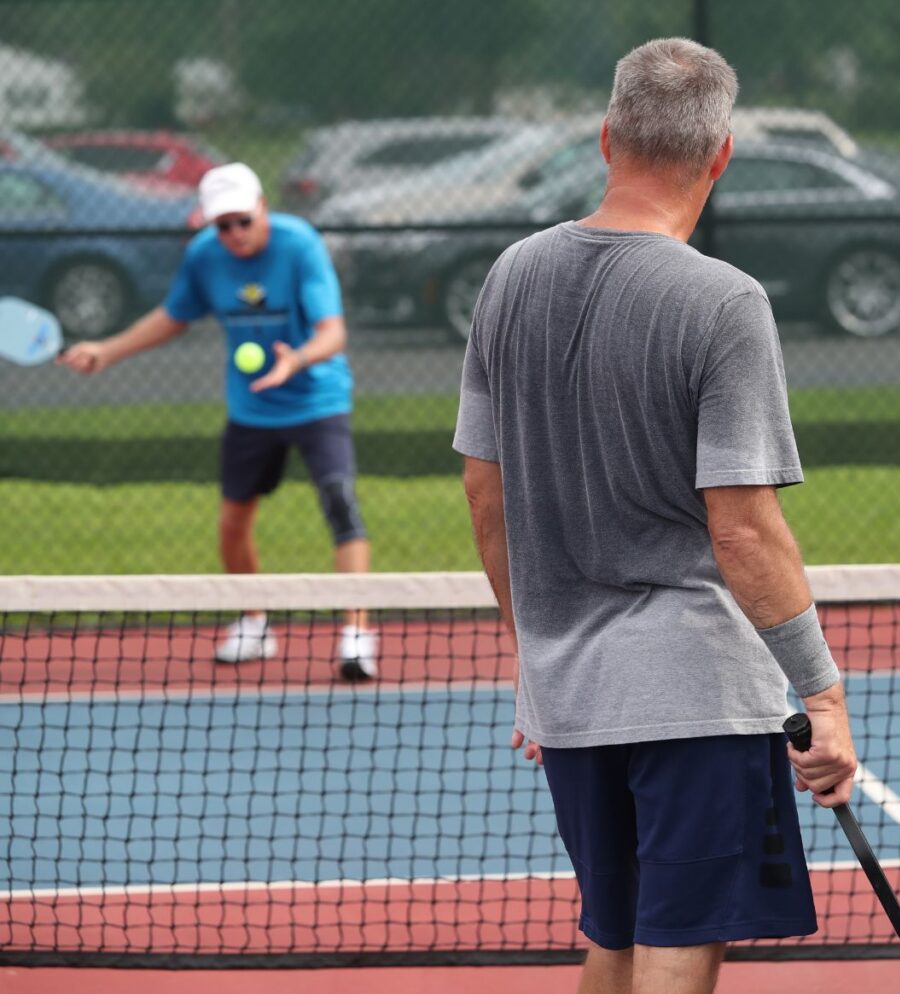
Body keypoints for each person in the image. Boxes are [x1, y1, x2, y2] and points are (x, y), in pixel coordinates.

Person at [454, 38, 858, 994]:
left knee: (616, 937)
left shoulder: (510, 275)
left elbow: (484, 490)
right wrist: (824, 698)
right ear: (721, 155)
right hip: (696, 693)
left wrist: (534, 648)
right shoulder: (725, 301)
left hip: (570, 694)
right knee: (675, 946)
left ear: (606, 138)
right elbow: (742, 527)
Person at [59, 162, 377, 679]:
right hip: (251, 409)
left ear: (263, 208)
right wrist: (107, 350)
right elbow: (173, 317)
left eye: (242, 221)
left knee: (340, 503)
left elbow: (333, 333)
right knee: (232, 523)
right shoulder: (205, 255)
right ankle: (254, 623)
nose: (233, 234)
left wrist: (296, 360)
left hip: (317, 400)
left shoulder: (300, 245)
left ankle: (357, 636)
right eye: (222, 225)